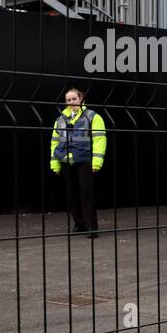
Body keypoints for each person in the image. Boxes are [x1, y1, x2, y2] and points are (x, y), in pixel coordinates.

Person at [49, 87, 107, 238]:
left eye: (74, 99)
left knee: (86, 193)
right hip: (66, 161)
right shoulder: (60, 119)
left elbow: (100, 139)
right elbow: (54, 143)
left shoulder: (93, 116)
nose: (71, 102)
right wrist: (55, 163)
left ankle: (91, 226)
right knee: (72, 194)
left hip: (85, 160)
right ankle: (79, 223)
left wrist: (97, 162)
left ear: (81, 99)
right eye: (68, 100)